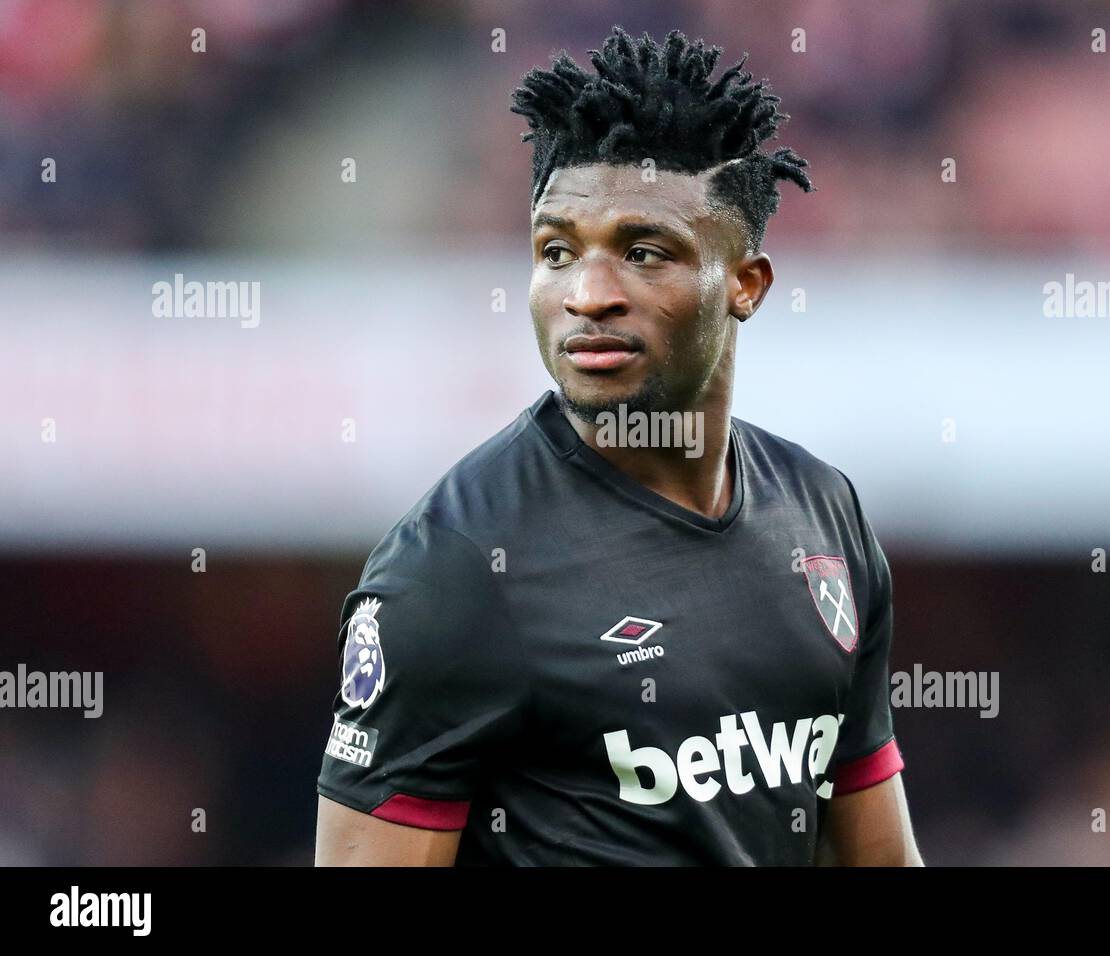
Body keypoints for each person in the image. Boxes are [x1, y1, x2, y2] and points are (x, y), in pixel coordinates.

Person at [315, 25, 922, 866]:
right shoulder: (455, 568)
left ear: (745, 285)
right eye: (557, 252)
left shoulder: (824, 515)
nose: (588, 294)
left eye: (642, 252)